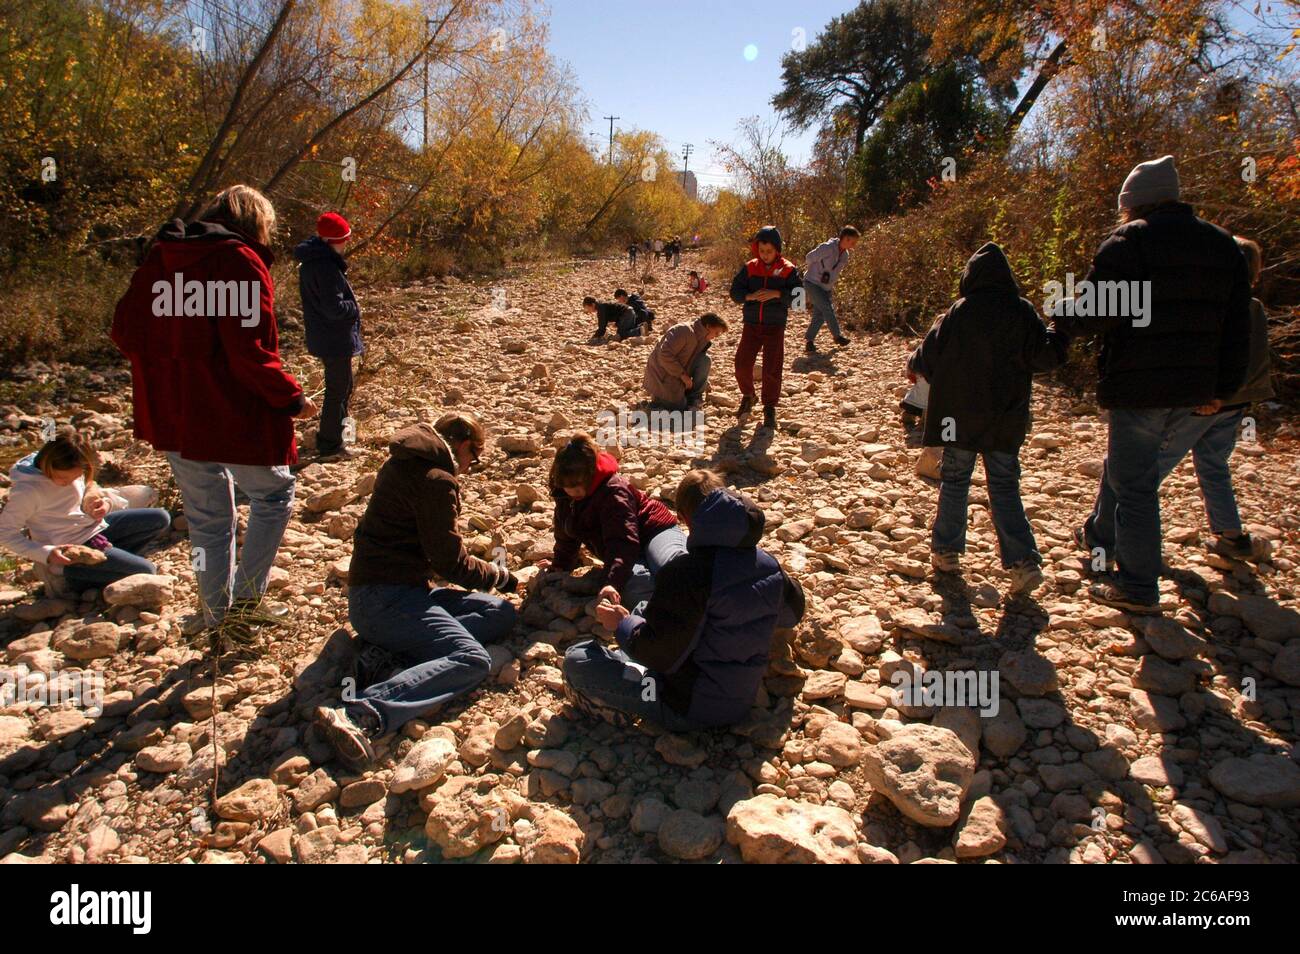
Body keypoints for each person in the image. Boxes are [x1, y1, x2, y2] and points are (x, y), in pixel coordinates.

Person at [111, 184, 317, 643]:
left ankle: (214, 615)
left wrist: (169, 367)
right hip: (230, 411)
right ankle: (245, 604)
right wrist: (292, 398)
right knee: (274, 495)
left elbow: (124, 331)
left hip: (175, 413)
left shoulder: (161, 259)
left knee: (207, 517)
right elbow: (250, 352)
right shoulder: (239, 261)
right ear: (256, 222)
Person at [1062, 156, 1251, 612]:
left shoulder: (1129, 242)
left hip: (1140, 383)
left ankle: (1138, 586)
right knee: (1130, 471)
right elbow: (1237, 327)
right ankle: (1099, 537)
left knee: (1136, 483)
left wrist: (1058, 320)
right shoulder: (1223, 245)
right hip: (1198, 387)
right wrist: (1224, 390)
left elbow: (1094, 311)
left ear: (1133, 203)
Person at [315, 413, 518, 770]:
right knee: (471, 659)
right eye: (474, 456)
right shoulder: (437, 480)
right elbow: (450, 563)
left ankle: (389, 653)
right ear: (463, 445)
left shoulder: (404, 462)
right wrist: (503, 577)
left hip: (398, 592)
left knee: (499, 613)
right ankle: (363, 712)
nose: (470, 467)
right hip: (385, 601)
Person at [562, 469, 805, 731]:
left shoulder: (687, 574)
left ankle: (633, 705)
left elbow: (658, 656)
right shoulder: (768, 564)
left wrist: (621, 624)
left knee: (578, 661)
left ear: (689, 519)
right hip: (741, 695)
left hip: (683, 704)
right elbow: (793, 613)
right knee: (645, 609)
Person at [908, 243, 1070, 596]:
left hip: (958, 419)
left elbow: (925, 360)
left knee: (955, 481)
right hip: (1005, 417)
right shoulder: (1022, 311)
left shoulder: (959, 311)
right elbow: (1047, 357)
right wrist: (1060, 327)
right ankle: (1023, 562)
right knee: (1004, 486)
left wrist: (929, 373)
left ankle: (946, 552)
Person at [1142, 235, 1274, 561]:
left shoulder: (1216, 306)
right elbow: (1255, 359)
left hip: (1205, 402)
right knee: (1214, 466)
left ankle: (1114, 533)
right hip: (1235, 402)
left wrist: (1207, 393)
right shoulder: (1254, 307)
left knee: (1150, 467)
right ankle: (1231, 535)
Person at [0, 428, 170, 597]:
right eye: (63, 479)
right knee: (147, 570)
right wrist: (47, 554)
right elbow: (5, 533)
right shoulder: (27, 491)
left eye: (74, 478)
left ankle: (105, 566)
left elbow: (88, 484)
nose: (68, 483)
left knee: (160, 518)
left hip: (94, 529)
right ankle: (67, 577)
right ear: (47, 465)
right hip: (70, 550)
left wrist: (97, 500)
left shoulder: (69, 462)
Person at [544, 434, 686, 615]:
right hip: (626, 549)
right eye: (567, 486)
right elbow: (567, 532)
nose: (573, 491)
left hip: (654, 531)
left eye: (577, 485)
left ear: (590, 474)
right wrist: (561, 563)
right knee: (636, 587)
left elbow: (623, 541)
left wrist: (612, 582)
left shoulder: (614, 491)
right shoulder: (565, 493)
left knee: (672, 566)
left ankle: (704, 598)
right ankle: (674, 615)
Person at [295, 212, 362, 461]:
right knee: (338, 391)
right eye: (344, 238)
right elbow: (333, 308)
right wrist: (354, 308)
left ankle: (340, 438)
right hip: (334, 339)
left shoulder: (313, 262)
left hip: (326, 337)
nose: (347, 243)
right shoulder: (325, 267)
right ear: (332, 241)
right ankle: (330, 444)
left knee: (343, 387)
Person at [729, 225, 803, 430]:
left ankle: (769, 408)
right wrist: (750, 296)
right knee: (742, 364)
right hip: (751, 324)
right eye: (761, 251)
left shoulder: (788, 269)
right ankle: (748, 395)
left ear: (777, 249)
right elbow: (734, 292)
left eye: (769, 251)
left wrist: (777, 294)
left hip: (775, 326)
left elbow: (799, 300)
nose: (765, 255)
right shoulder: (750, 267)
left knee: (772, 369)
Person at [643, 312, 727, 411]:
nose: (716, 337)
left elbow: (693, 361)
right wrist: (683, 375)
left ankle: (694, 397)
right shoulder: (683, 331)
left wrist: (702, 382)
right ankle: (657, 401)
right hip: (661, 375)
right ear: (708, 326)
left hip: (676, 372)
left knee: (705, 360)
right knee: (679, 407)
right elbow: (664, 355)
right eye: (716, 333)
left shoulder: (702, 339)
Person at [803, 225, 859, 352]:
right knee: (828, 308)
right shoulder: (827, 247)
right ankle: (837, 336)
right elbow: (809, 257)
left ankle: (809, 341)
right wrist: (816, 271)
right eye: (853, 242)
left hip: (826, 287)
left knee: (820, 314)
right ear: (846, 238)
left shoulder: (845, 255)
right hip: (812, 282)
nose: (854, 245)